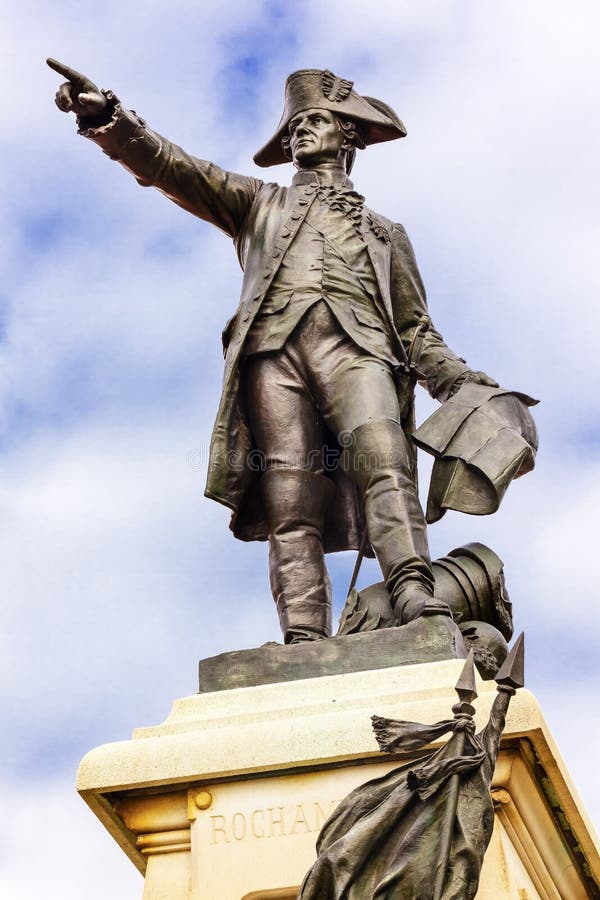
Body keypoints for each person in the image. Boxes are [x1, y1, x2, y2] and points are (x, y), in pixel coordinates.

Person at [48, 61, 497, 644]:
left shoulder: (386, 234)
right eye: (293, 127)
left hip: (359, 351)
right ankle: (304, 633)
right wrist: (109, 120)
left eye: (313, 121)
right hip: (273, 357)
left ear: (349, 134)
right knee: (290, 495)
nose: (298, 134)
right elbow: (175, 169)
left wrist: (459, 381)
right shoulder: (258, 203)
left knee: (384, 462)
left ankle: (412, 589)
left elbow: (415, 331)